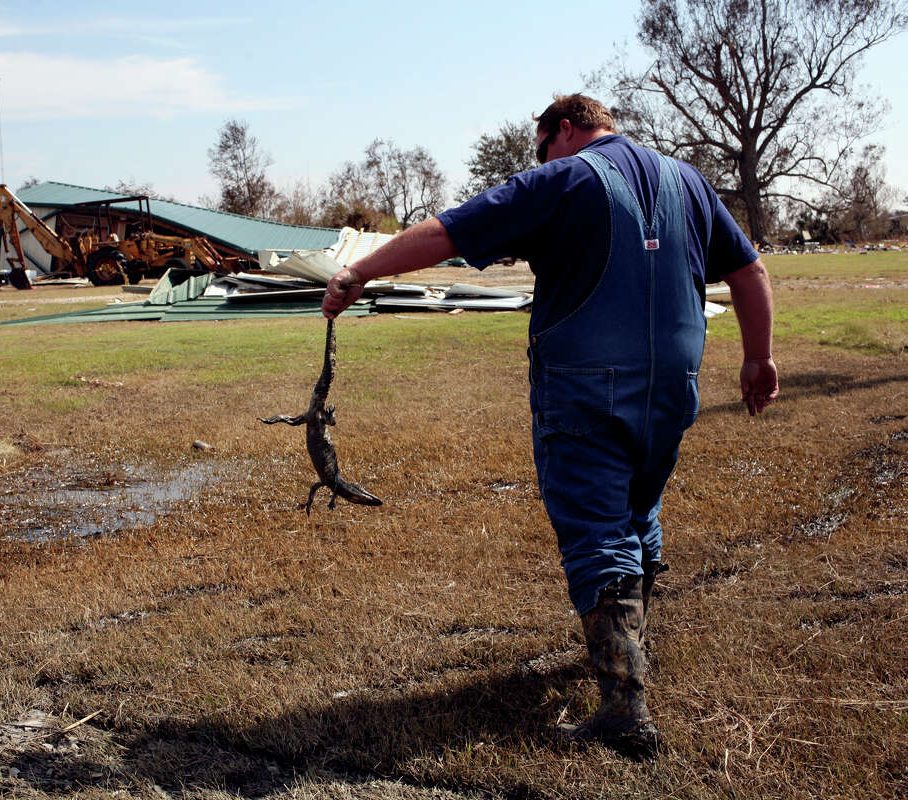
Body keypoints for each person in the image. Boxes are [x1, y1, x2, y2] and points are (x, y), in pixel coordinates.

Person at [321, 93, 778, 757]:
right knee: (635, 510)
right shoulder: (687, 181)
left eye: (541, 145)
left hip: (586, 388)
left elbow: (450, 230)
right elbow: (748, 268)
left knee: (597, 530)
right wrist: (759, 356)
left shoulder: (563, 177)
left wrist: (360, 269)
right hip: (674, 389)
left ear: (564, 131)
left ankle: (625, 709)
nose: (538, 157)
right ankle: (628, 644)